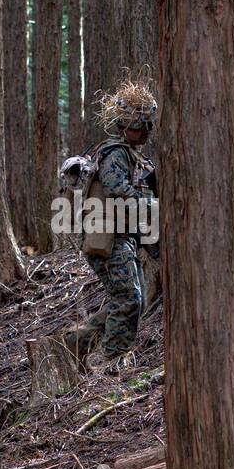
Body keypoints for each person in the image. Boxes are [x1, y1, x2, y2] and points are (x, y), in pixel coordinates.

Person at [74, 78, 158, 373]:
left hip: (123, 238)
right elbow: (118, 192)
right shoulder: (115, 154)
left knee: (134, 298)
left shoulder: (133, 155)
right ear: (122, 126)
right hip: (109, 239)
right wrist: (155, 206)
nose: (144, 132)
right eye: (138, 126)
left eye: (148, 126)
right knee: (128, 297)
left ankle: (76, 343)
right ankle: (113, 361)